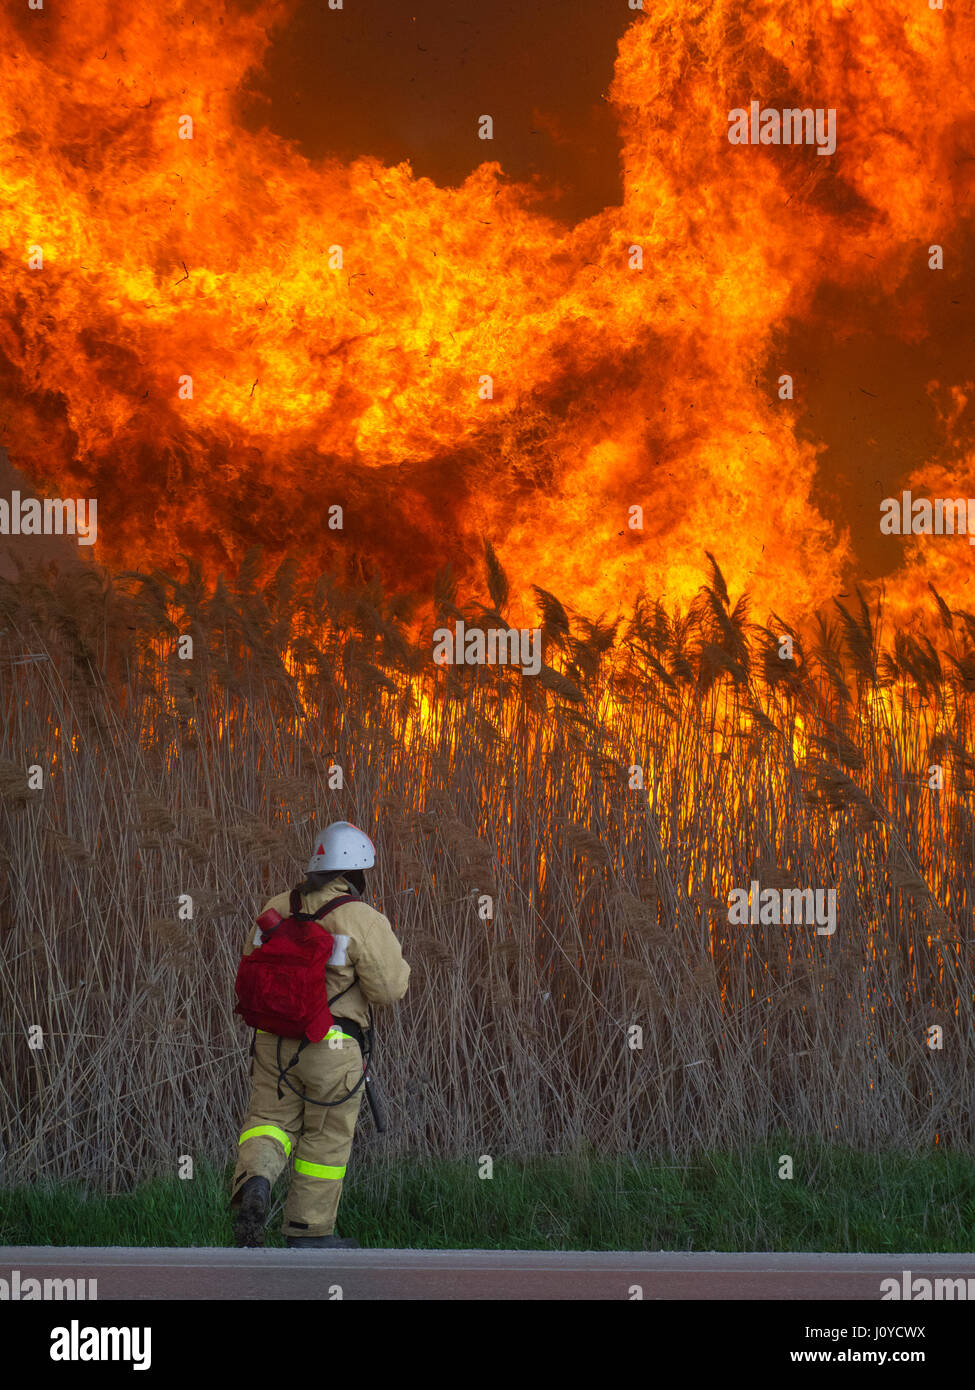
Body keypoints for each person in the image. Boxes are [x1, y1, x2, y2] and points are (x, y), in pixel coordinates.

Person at [229, 821, 409, 1248]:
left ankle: (256, 1180)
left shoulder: (276, 905)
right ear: (357, 873)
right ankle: (309, 1233)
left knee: (267, 1123)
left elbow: (250, 964)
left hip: (273, 1040)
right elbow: (389, 989)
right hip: (332, 1045)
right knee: (325, 1138)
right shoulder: (361, 917)